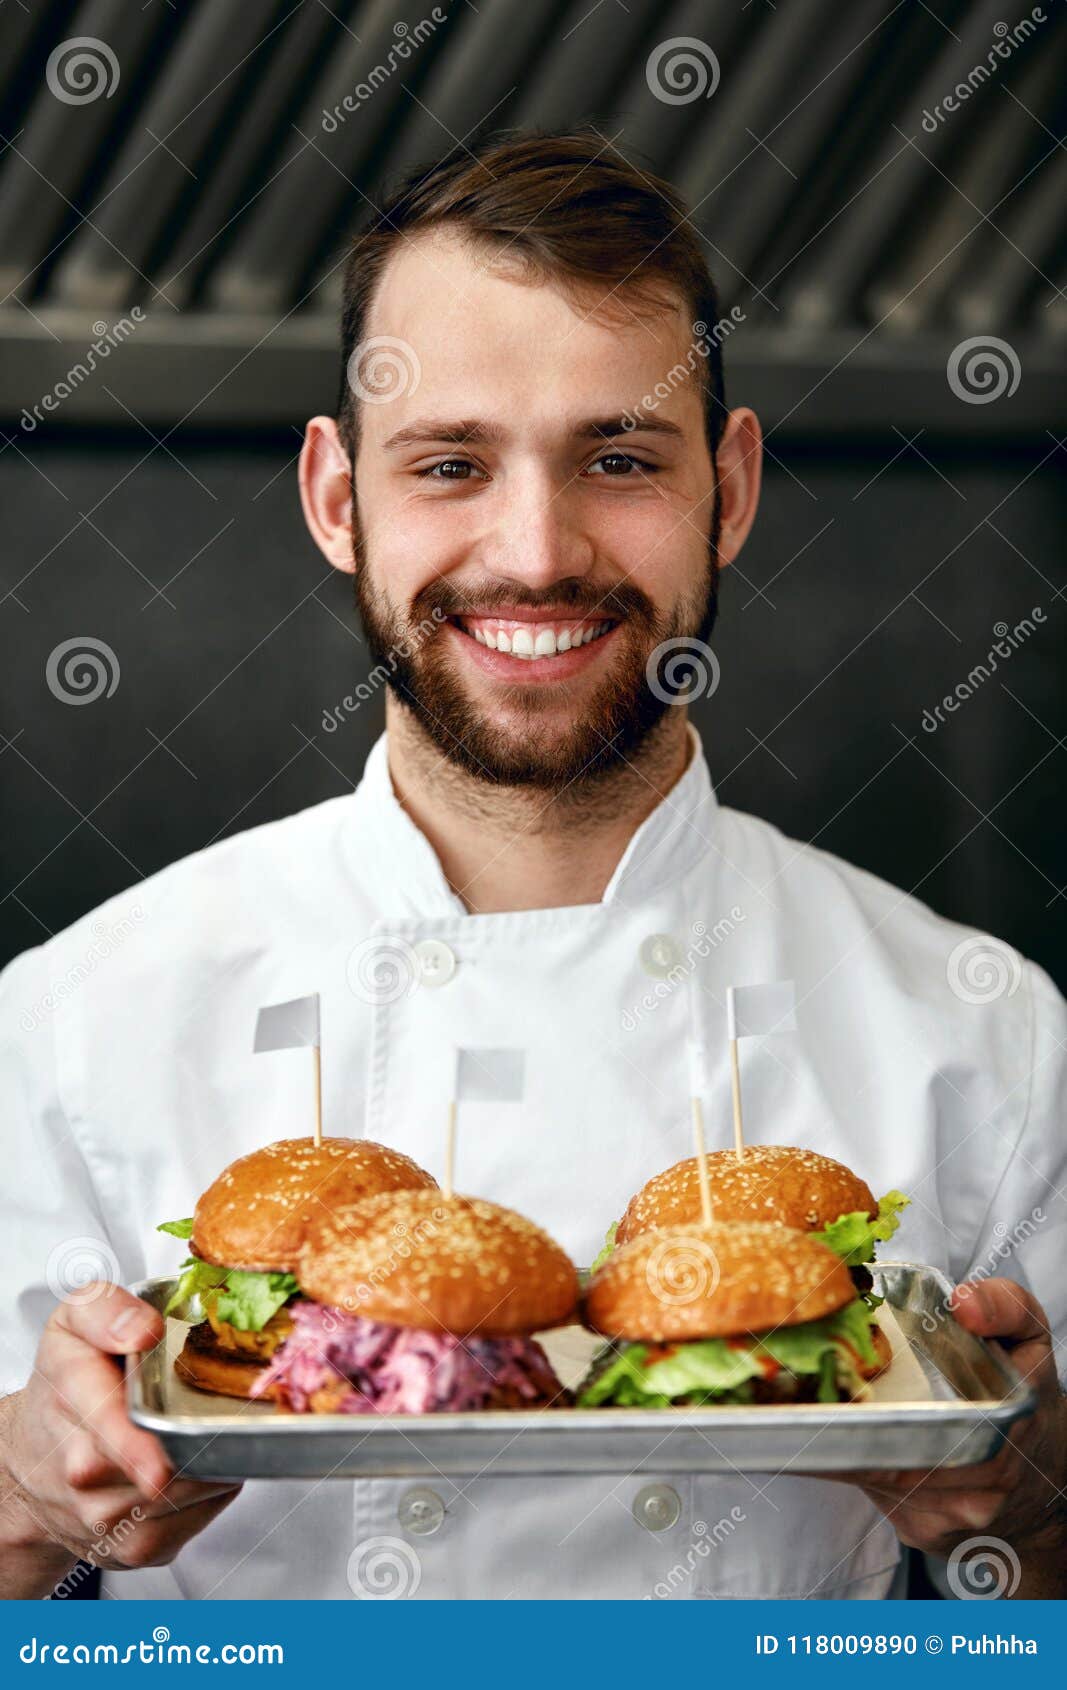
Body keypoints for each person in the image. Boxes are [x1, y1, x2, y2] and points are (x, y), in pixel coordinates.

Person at [1, 129, 1064, 1601]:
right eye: (449, 462)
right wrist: (27, 1495)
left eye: (618, 457)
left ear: (731, 490)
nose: (537, 550)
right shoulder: (67, 1021)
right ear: (335, 499)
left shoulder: (985, 1032)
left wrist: (1034, 1514)